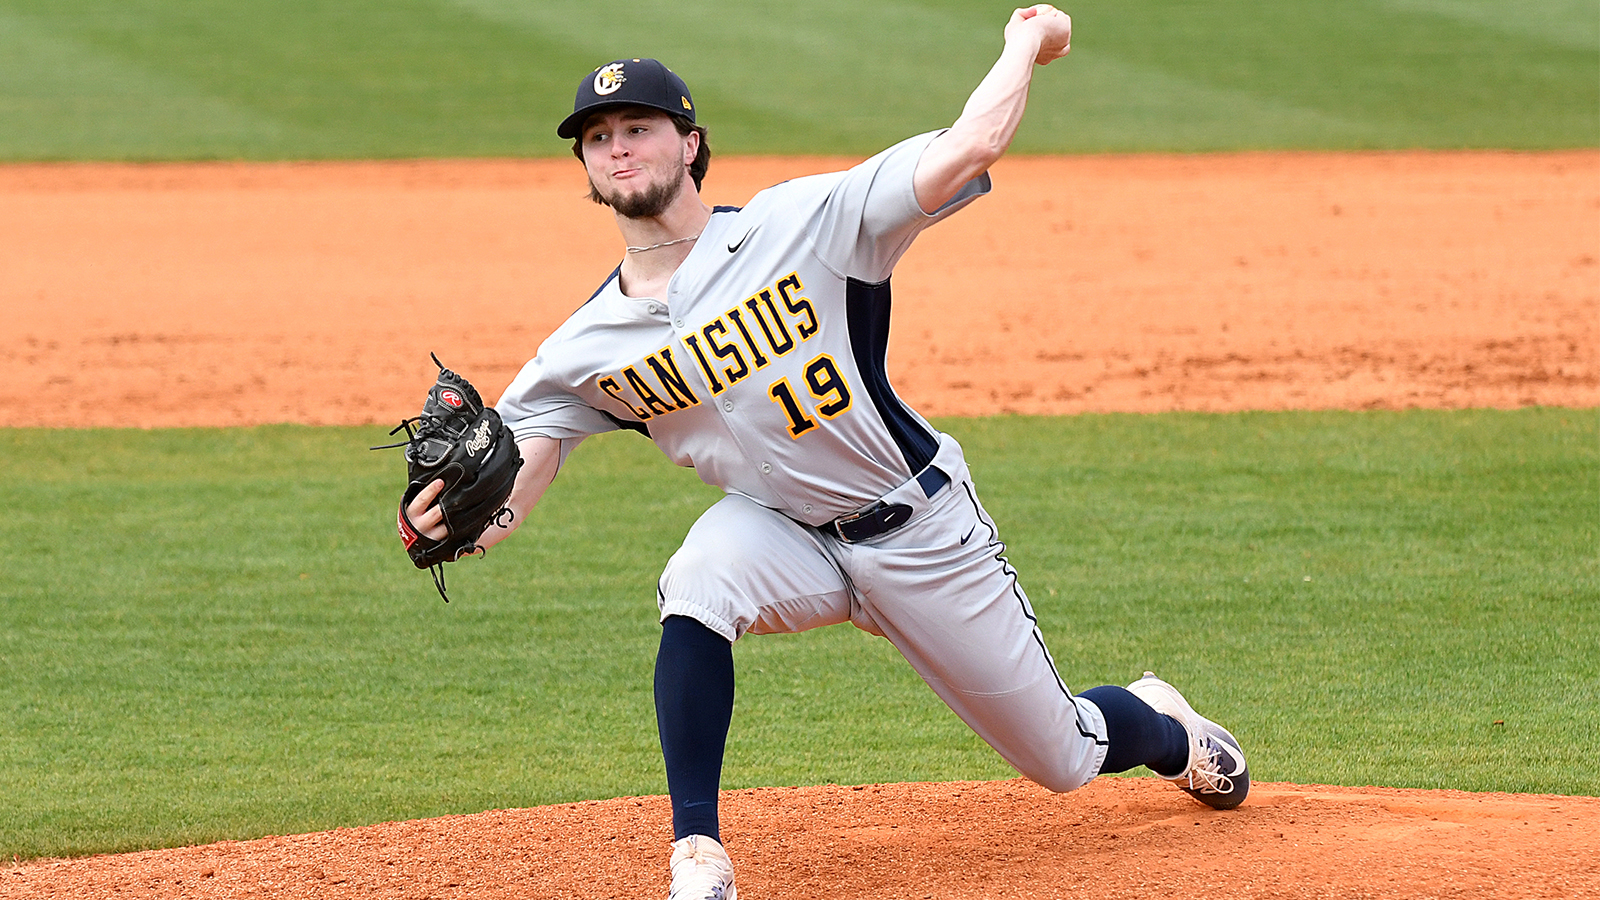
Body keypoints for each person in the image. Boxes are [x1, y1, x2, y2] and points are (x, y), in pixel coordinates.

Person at [405, 7, 1248, 898]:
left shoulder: (803, 226)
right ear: (583, 165)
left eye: (640, 129)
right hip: (783, 534)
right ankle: (698, 856)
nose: (619, 149)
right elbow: (517, 468)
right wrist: (451, 527)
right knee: (696, 581)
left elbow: (967, 149)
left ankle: (1166, 725)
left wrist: (1023, 43)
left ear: (691, 144)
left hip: (918, 526)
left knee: (1065, 756)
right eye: (599, 137)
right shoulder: (584, 345)